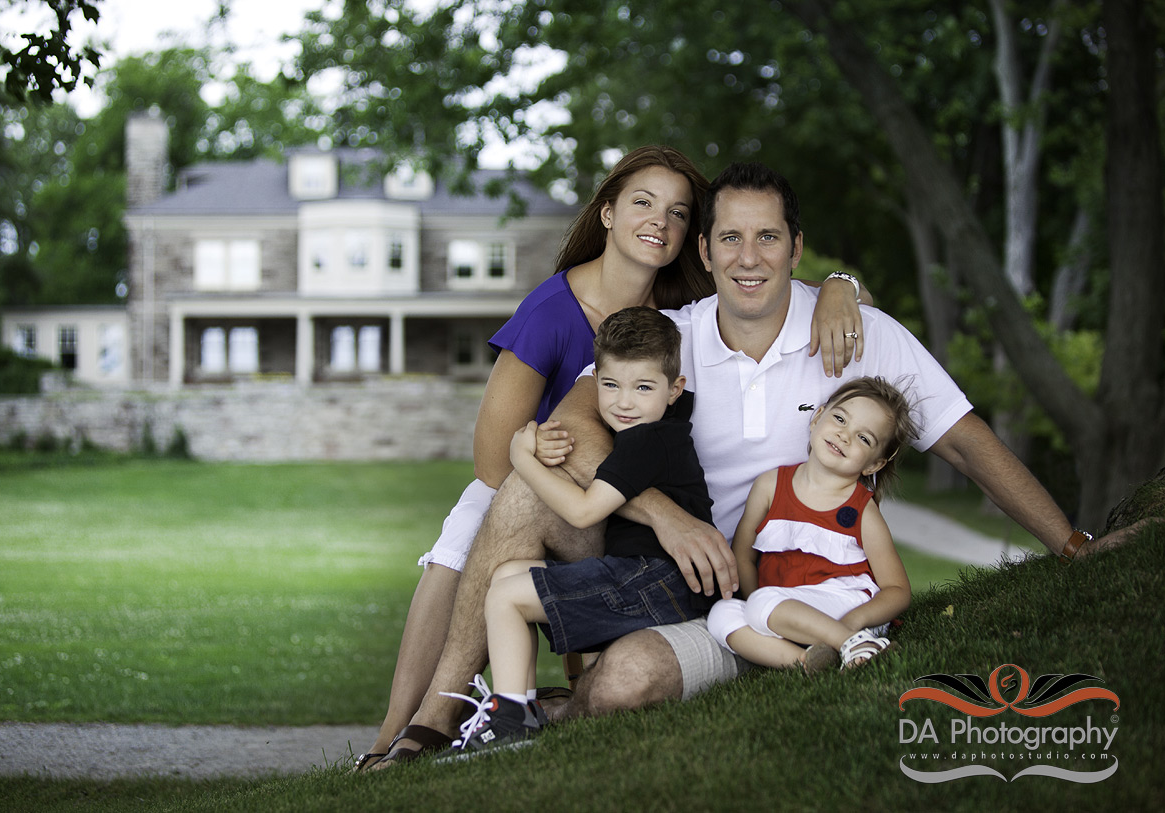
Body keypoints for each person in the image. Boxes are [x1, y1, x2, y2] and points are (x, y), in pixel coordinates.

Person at [368, 159, 1137, 764]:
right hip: (669, 571)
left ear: (796, 249)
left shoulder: (860, 334)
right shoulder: (674, 338)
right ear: (704, 251)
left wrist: (1071, 544)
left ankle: (532, 711)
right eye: (729, 238)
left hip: (763, 600)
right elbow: (571, 421)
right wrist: (665, 517)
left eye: (768, 237)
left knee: (626, 682)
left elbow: (965, 439)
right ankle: (432, 723)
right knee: (521, 494)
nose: (748, 257)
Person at [358, 149, 870, 769]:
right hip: (544, 474)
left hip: (621, 488)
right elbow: (493, 465)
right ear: (606, 213)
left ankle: (526, 707)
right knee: (468, 532)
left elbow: (776, 282)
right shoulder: (554, 310)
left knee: (557, 575)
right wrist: (562, 463)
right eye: (643, 203)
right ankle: (404, 731)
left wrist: (840, 285)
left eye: (678, 212)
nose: (660, 221)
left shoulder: (684, 304)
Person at [445, 307, 713, 753]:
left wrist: (522, 458)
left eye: (643, 387)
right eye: (610, 385)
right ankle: (520, 710)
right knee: (509, 575)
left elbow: (584, 511)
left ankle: (509, 721)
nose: (623, 402)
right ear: (596, 381)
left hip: (659, 582)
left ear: (674, 389)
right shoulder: (659, 423)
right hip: (648, 577)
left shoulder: (647, 440)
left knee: (507, 597)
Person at [706, 376, 917, 673]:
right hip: (784, 606)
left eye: (864, 438)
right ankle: (809, 662)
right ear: (817, 418)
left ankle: (855, 641)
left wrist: (854, 620)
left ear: (873, 465)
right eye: (840, 419)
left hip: (846, 605)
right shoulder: (770, 486)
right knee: (722, 614)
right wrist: (762, 610)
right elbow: (743, 556)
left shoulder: (862, 511)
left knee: (762, 604)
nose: (844, 436)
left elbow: (897, 589)